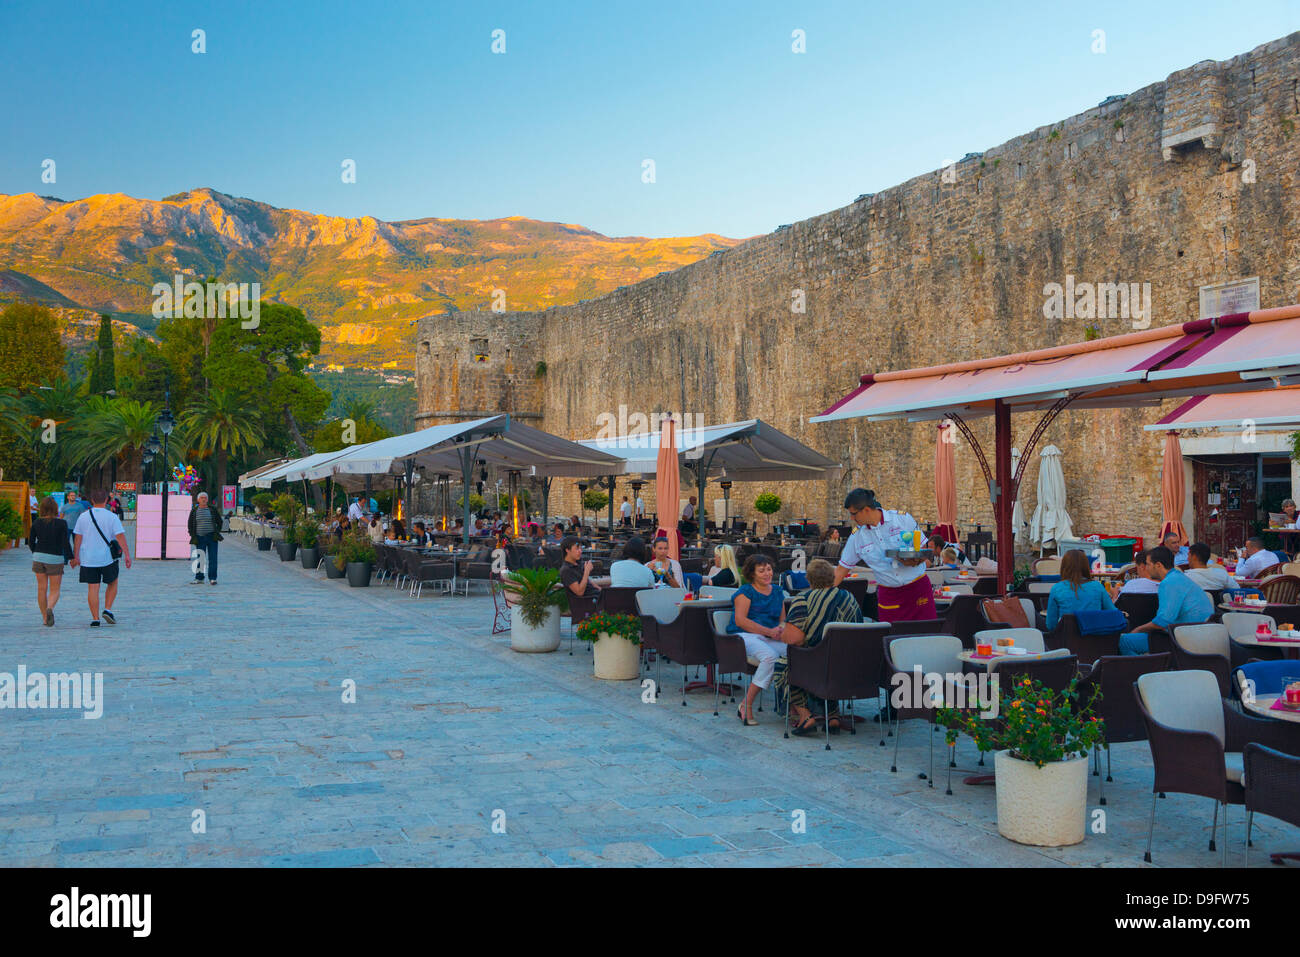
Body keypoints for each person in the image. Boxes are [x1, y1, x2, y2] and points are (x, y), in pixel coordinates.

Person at [777, 558, 864, 734]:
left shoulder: (805, 599)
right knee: (827, 657)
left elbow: (793, 639)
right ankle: (832, 717)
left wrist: (783, 630)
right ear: (833, 578)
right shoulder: (849, 597)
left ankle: (805, 716)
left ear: (809, 580)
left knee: (785, 664)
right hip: (852, 665)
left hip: (820, 665)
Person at [833, 488, 934, 622]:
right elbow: (841, 570)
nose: (851, 518)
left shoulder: (902, 519)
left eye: (853, 514)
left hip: (918, 590)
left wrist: (915, 559)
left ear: (866, 510)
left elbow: (923, 548)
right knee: (892, 640)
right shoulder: (857, 537)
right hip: (890, 595)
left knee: (927, 636)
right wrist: (818, 594)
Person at [727, 555, 788, 726]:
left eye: (769, 569)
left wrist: (780, 629)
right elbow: (741, 621)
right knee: (770, 657)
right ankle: (746, 704)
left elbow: (782, 619)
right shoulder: (745, 592)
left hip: (769, 636)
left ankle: (791, 704)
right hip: (743, 635)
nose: (767, 573)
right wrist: (769, 631)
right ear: (752, 574)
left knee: (794, 652)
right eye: (761, 571)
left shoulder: (777, 591)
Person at [1118, 546, 1213, 654]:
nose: (1147, 568)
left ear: (1158, 565)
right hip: (1200, 634)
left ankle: (1143, 669)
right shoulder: (1179, 577)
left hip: (1183, 639)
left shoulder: (1168, 583)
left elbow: (1162, 621)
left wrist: (1138, 629)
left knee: (1123, 641)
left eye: (1148, 564)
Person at [72, 488, 130, 627]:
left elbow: (77, 538)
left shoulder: (83, 516)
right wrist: (127, 555)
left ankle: (95, 618)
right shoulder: (112, 517)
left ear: (92, 500)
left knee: (93, 588)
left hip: (88, 558)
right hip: (107, 558)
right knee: (113, 582)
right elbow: (120, 536)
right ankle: (108, 609)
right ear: (106, 500)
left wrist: (76, 556)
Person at [1045, 548, 1117, 631]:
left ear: (1064, 566)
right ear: (1086, 566)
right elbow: (1113, 614)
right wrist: (1115, 595)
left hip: (1067, 640)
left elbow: (1050, 625)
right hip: (1094, 640)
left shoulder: (1057, 589)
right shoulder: (1097, 587)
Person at [28, 496, 74, 626]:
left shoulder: (36, 522)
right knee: (55, 589)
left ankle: (44, 617)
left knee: (41, 588)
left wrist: (36, 552)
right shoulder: (61, 523)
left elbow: (31, 542)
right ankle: (50, 608)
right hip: (55, 558)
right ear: (55, 509)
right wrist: (71, 558)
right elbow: (65, 543)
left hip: (39, 558)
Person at [187, 491, 224, 586]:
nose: (203, 499)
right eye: (202, 498)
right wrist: (192, 535)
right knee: (200, 558)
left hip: (212, 537)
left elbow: (220, 521)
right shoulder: (194, 511)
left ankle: (212, 578)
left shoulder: (212, 509)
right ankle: (199, 578)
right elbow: (190, 524)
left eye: (205, 498)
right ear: (198, 500)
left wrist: (217, 532)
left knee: (213, 559)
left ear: (207, 500)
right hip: (199, 538)